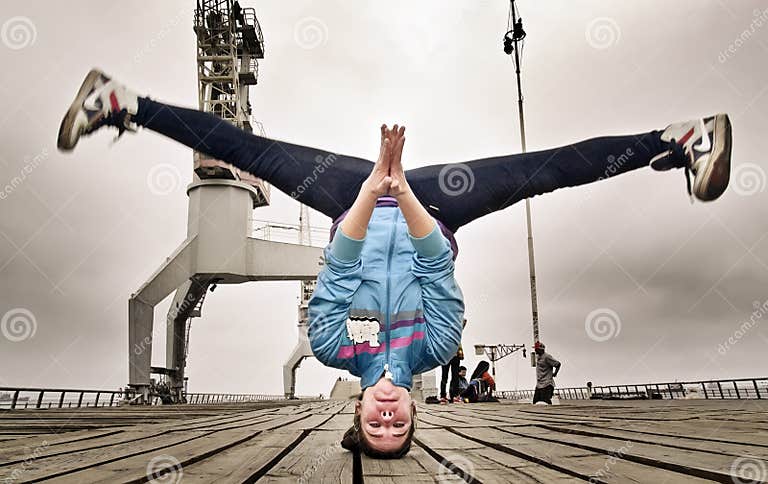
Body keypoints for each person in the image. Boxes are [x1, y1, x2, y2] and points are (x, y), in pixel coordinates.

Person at [57, 69, 733, 458]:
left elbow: (341, 264)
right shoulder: (437, 348)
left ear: (356, 417)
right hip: (432, 204)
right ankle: (679, 139)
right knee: (542, 171)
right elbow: (437, 266)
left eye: (374, 425)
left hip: (350, 196)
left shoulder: (328, 349)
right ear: (412, 410)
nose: (386, 415)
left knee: (250, 153)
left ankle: (120, 102)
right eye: (397, 424)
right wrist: (403, 188)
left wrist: (368, 188)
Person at [440, 318, 466, 404]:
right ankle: (454, 396)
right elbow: (464, 321)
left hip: (447, 355)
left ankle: (444, 397)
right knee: (453, 376)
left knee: (446, 376)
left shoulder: (442, 328)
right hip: (452, 355)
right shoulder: (456, 329)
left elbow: (464, 321)